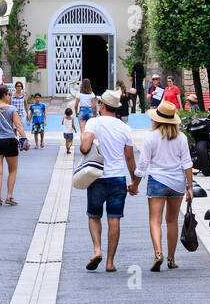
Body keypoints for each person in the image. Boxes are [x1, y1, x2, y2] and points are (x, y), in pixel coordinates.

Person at [128, 101, 194, 271]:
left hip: (157, 180)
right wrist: (190, 187)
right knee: (172, 221)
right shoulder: (181, 137)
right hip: (177, 182)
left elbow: (143, 165)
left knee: (155, 221)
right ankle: (171, 259)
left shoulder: (150, 137)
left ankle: (158, 253)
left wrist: (135, 184)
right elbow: (187, 163)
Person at [79, 89, 137, 272]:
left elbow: (84, 148)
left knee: (94, 216)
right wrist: (134, 181)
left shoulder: (93, 123)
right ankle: (110, 262)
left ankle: (97, 250)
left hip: (97, 177)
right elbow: (129, 158)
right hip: (118, 178)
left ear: (102, 105)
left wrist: (85, 138)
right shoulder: (125, 128)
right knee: (114, 219)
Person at [0, 86, 29, 206]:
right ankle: (9, 196)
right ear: (4, 95)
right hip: (10, 141)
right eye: (8, 95)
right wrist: (25, 140)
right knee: (13, 170)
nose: (9, 97)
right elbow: (18, 126)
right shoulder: (12, 109)